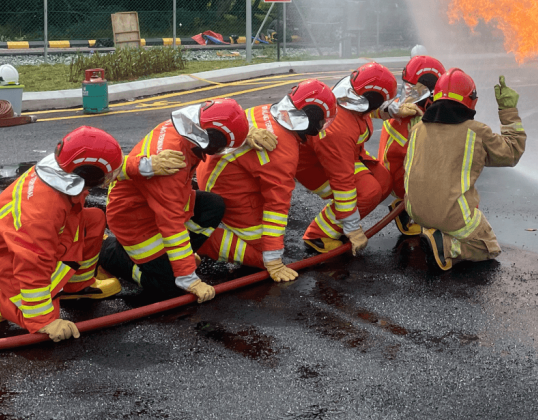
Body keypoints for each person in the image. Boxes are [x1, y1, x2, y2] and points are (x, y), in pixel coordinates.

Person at [0, 126, 125, 342]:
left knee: (94, 219)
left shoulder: (66, 170)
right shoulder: (42, 210)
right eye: (106, 176)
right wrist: (43, 321)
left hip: (30, 241)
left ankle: (77, 285)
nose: (110, 180)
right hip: (6, 255)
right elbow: (33, 263)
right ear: (87, 174)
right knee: (40, 314)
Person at [100, 98, 267, 301]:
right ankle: (111, 254)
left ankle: (176, 258)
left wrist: (243, 134)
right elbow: (171, 224)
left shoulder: (191, 127)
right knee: (169, 288)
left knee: (213, 206)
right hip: (135, 222)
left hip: (160, 204)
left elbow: (219, 122)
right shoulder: (170, 165)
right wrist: (189, 279)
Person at [196, 80, 337, 282]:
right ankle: (199, 240)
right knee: (260, 254)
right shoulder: (283, 152)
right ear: (312, 118)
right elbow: (276, 207)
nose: (322, 126)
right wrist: (273, 260)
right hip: (226, 186)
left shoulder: (265, 111)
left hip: (219, 172)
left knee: (268, 235)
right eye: (322, 121)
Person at [404, 70, 527, 270]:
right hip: (451, 216)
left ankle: (433, 232)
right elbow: (512, 152)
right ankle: (445, 245)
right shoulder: (476, 131)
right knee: (487, 247)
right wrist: (508, 110)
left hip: (415, 213)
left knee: (443, 209)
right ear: (470, 100)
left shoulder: (417, 128)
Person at [295, 62, 397, 254]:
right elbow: (342, 182)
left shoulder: (351, 95)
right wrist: (352, 228)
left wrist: (389, 112)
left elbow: (363, 110)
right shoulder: (337, 129)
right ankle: (318, 235)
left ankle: (338, 225)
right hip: (316, 167)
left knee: (383, 181)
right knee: (368, 192)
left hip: (344, 157)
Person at [376, 54, 446, 235]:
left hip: (395, 174)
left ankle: (407, 206)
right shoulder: (413, 116)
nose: (410, 93)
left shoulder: (401, 107)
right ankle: (412, 211)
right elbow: (422, 163)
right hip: (402, 179)